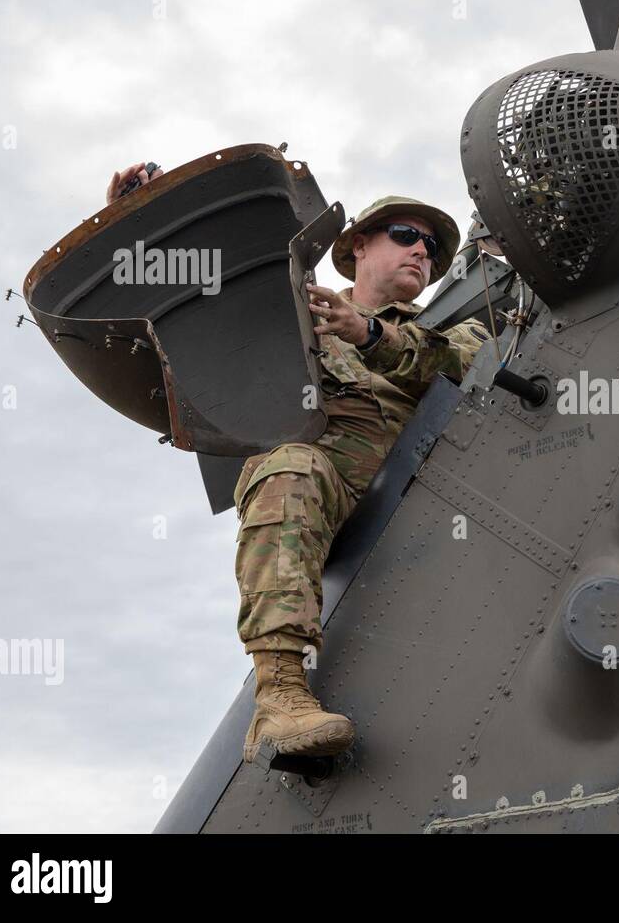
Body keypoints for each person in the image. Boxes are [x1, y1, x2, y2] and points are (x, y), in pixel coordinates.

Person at [107, 169, 491, 761]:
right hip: (322, 486)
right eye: (405, 233)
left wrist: (369, 335)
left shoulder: (450, 330)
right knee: (289, 468)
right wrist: (139, 223)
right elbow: (204, 312)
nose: (422, 250)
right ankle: (281, 696)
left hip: (415, 495)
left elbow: (458, 366)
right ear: (359, 243)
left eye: (433, 247)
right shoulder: (295, 308)